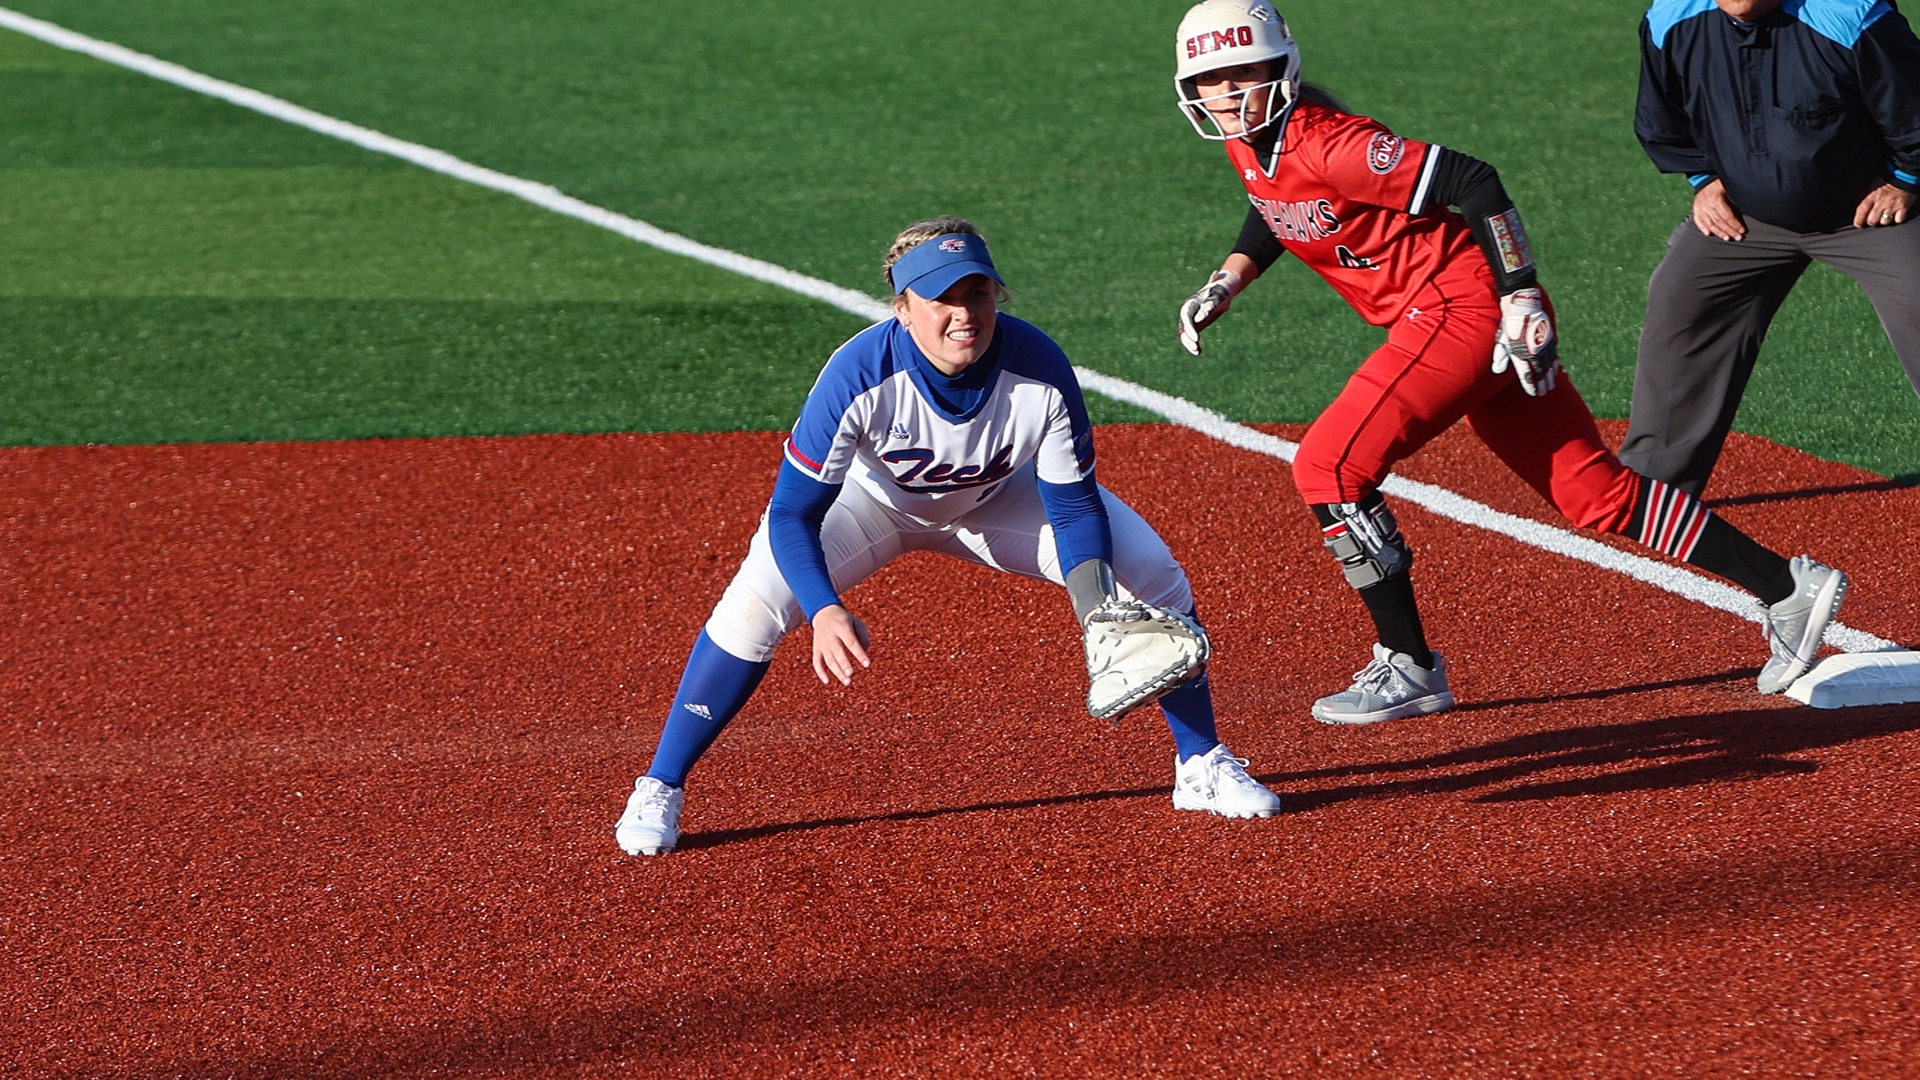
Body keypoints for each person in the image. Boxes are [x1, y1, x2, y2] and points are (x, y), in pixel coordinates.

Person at [1167, 0, 1851, 723]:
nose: (1230, 94)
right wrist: (1231, 276)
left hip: (1463, 312)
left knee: (1329, 468)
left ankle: (1409, 663)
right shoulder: (1253, 142)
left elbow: (1474, 181)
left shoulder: (1333, 143)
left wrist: (1520, 293)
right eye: (1213, 80)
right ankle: (1787, 587)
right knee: (1595, 493)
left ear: (1283, 67)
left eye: (1246, 73)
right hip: (1454, 315)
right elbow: (1275, 204)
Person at [615, 216, 1280, 857]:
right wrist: (821, 610)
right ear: (903, 309)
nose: (965, 312)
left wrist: (1096, 615)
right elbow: (793, 514)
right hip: (870, 508)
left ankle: (1201, 763)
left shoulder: (1041, 370)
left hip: (995, 501)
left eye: (977, 292)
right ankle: (660, 785)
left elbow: (1075, 510)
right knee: (753, 609)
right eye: (942, 298)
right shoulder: (859, 376)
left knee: (1153, 574)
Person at [1619, 0, 1920, 496]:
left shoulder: (1851, 15)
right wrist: (1705, 180)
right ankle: (1656, 491)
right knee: (1681, 298)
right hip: (1748, 216)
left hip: (1865, 213)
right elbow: (1662, 117)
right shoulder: (1670, 18)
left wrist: (1905, 180)